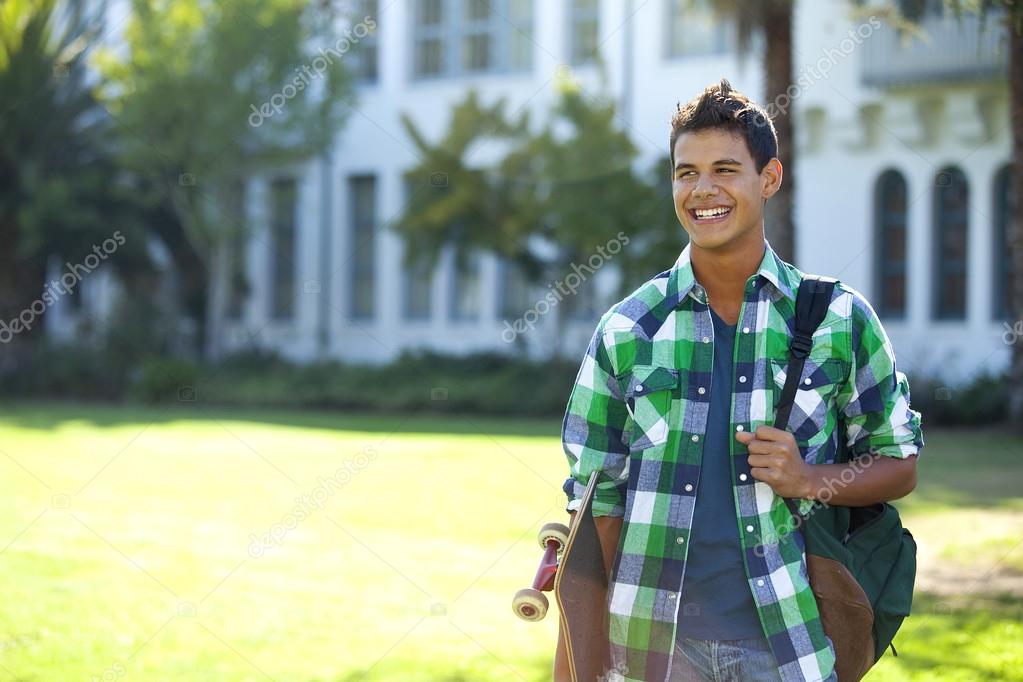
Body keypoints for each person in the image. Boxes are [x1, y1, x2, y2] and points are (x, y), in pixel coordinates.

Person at [559, 78, 924, 682]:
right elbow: (594, 513)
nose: (703, 189)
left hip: (789, 647)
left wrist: (809, 478)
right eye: (685, 173)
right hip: (655, 654)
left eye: (725, 169)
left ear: (770, 178)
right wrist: (572, 668)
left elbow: (899, 464)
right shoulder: (627, 330)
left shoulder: (838, 319)